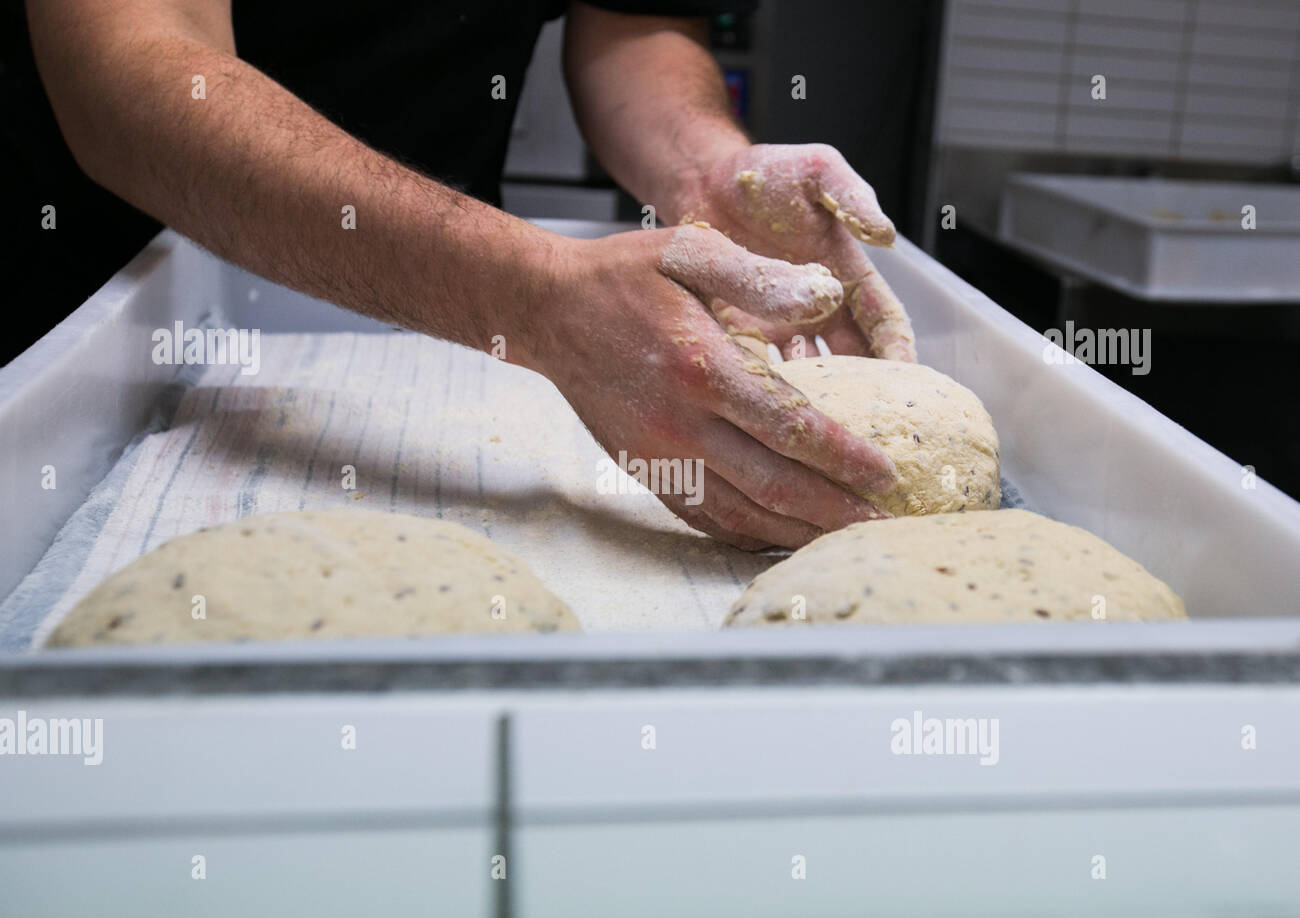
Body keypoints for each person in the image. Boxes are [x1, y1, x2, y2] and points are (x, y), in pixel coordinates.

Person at [23, 0, 917, 549]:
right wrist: (535, 296)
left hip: (459, 333)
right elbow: (131, 66)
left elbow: (635, 22)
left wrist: (711, 174)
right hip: (126, 318)